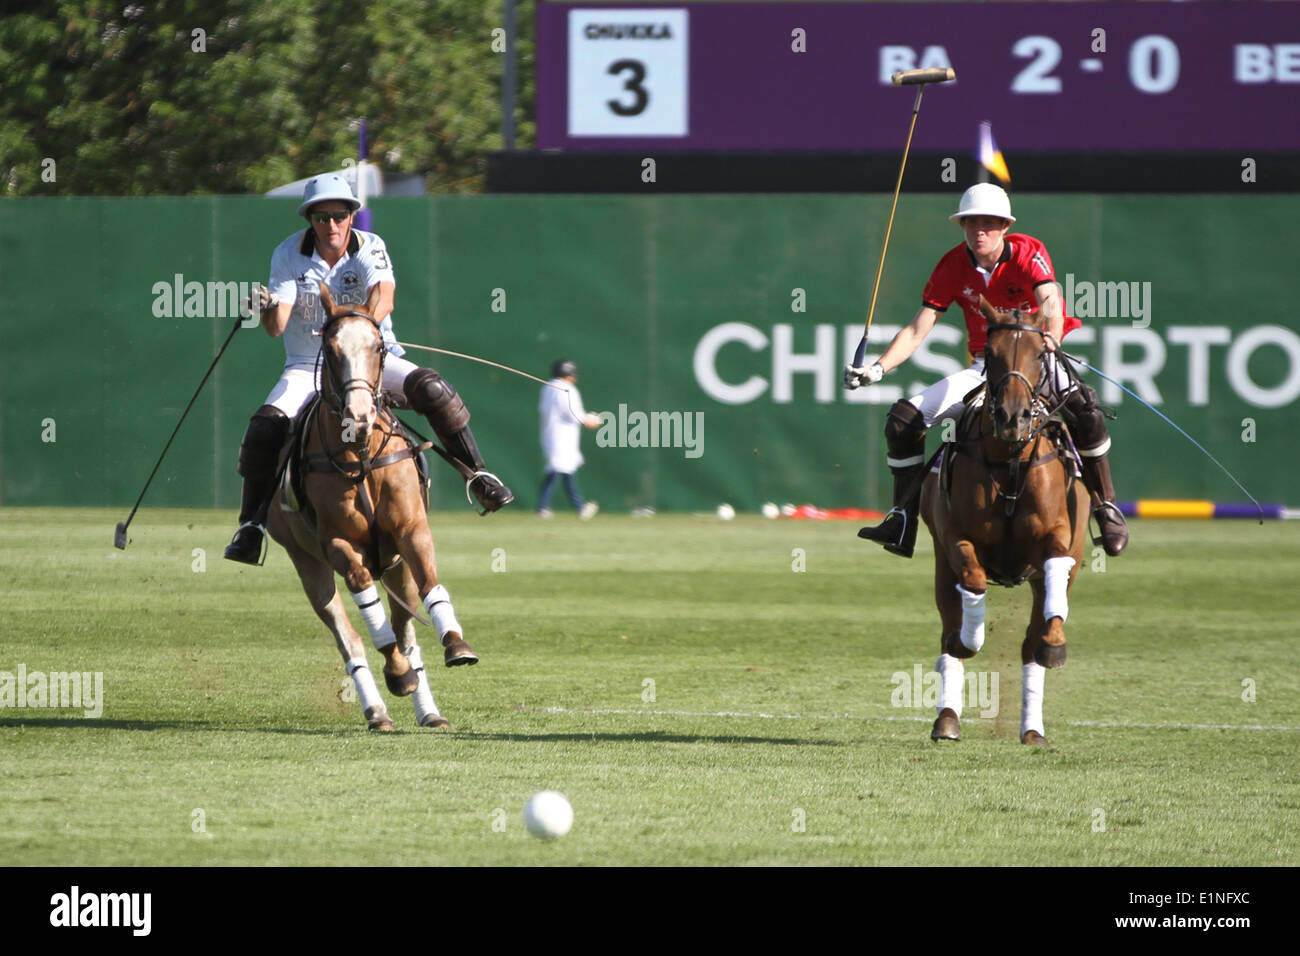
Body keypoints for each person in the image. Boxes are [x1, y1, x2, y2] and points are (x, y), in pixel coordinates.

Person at [224, 173, 513, 564]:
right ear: (310, 219)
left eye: (340, 215)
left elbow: (385, 296)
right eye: (322, 217)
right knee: (264, 427)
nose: (332, 225)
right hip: (308, 365)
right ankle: (251, 526)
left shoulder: (370, 246)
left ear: (351, 216)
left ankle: (478, 476)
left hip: (371, 357)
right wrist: (266, 306)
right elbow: (277, 328)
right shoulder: (288, 254)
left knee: (432, 389)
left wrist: (358, 332)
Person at [844, 182, 1128, 559]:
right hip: (985, 366)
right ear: (961, 226)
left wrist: (1052, 337)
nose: (980, 230)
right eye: (971, 222)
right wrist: (877, 369)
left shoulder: (1029, 252)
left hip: (1034, 359)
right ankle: (902, 519)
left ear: (1005, 226)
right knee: (902, 421)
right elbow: (917, 328)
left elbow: (1050, 301)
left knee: (1087, 411)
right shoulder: (952, 266)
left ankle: (1106, 507)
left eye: (989, 223)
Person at [537, 359, 602, 519]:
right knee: (562, 470)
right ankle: (578, 507)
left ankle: (544, 507)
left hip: (552, 434)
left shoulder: (547, 388)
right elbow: (572, 413)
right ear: (568, 375)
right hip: (562, 436)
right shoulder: (566, 389)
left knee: (559, 470)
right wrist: (588, 419)